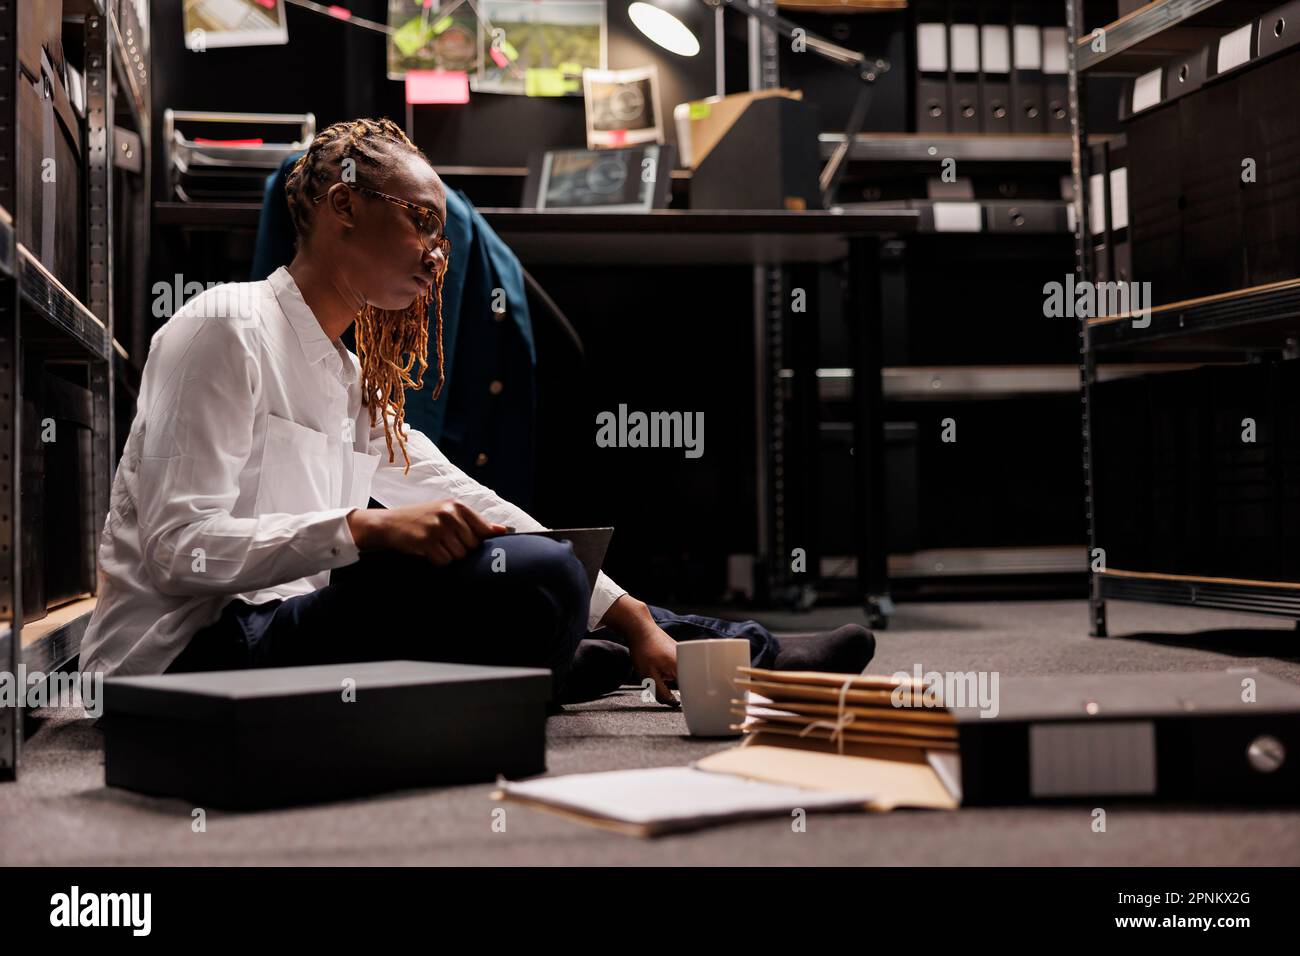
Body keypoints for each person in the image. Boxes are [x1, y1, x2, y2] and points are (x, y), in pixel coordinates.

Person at [78, 118, 873, 707]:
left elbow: (474, 499)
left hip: (285, 631)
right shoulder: (225, 327)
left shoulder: (349, 373)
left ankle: (696, 651)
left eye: (443, 230)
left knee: (536, 562)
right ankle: (563, 660)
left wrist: (631, 617)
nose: (438, 249)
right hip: (179, 662)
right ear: (344, 206)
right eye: (421, 219)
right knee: (530, 579)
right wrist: (364, 529)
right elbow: (181, 549)